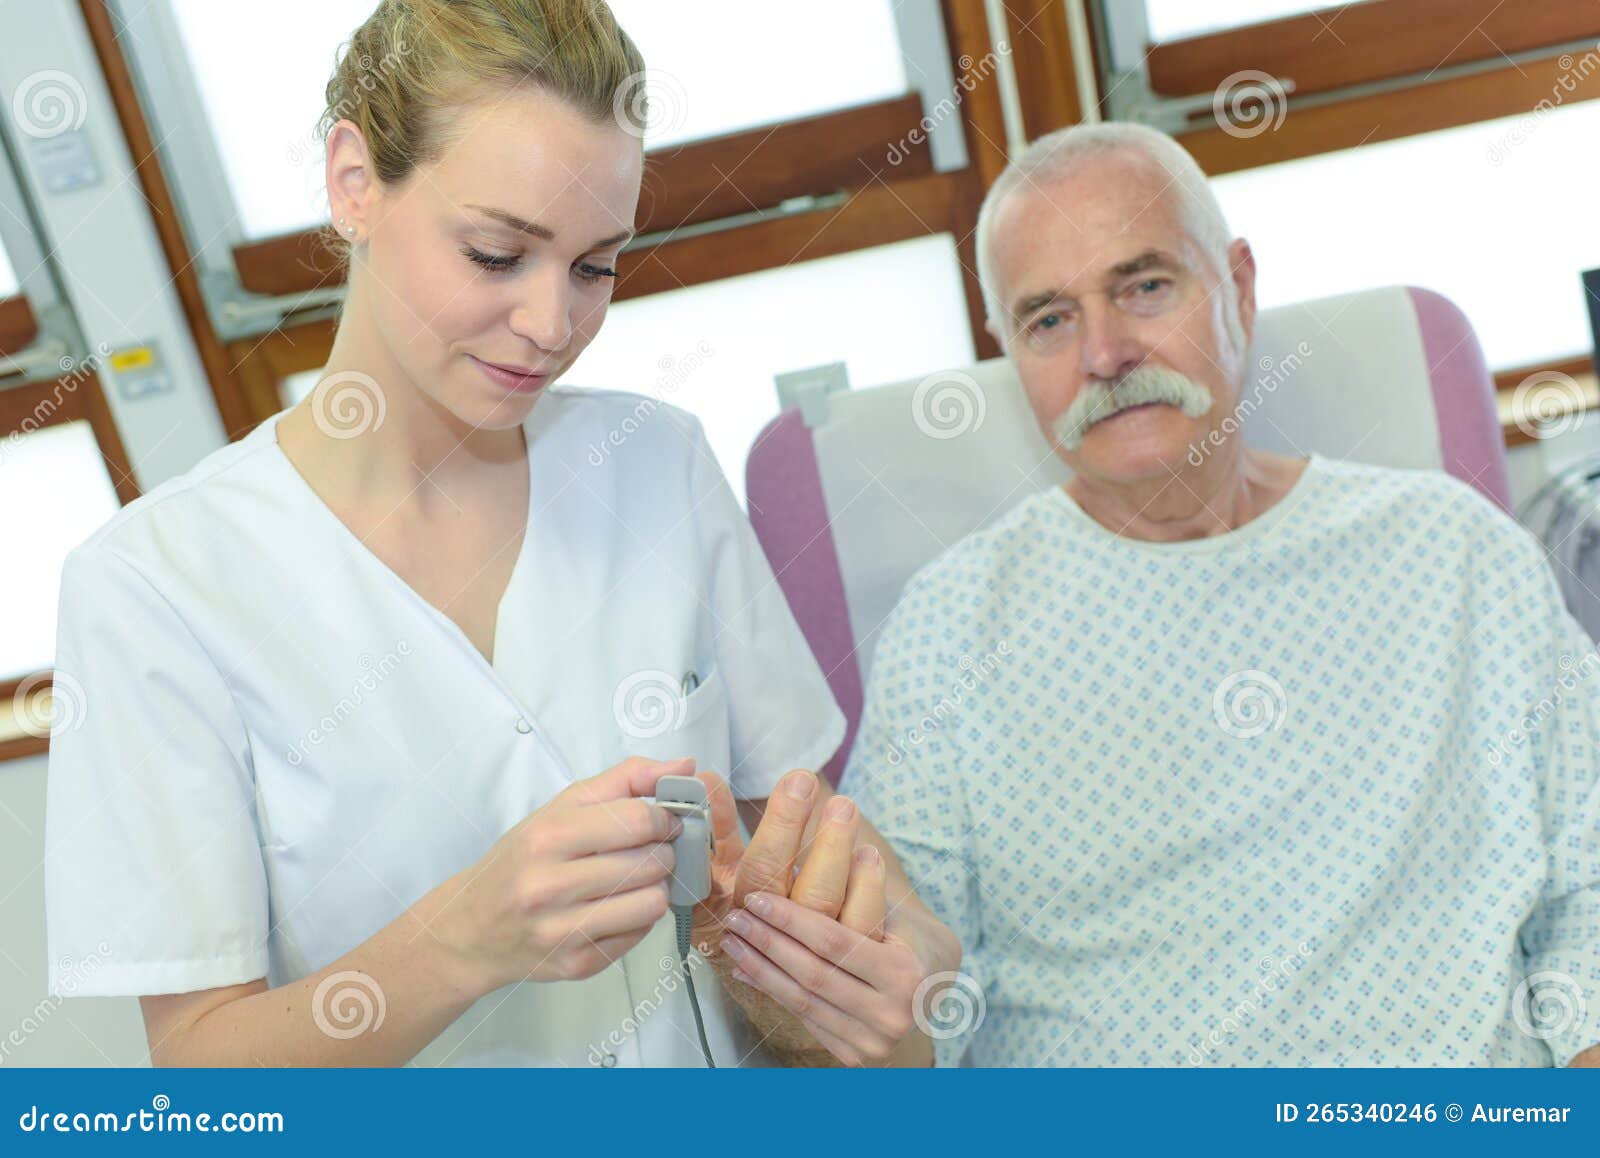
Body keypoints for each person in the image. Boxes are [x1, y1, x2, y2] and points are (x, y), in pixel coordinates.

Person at [44, 0, 955, 1068]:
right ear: (353, 183)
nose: (550, 324)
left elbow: (829, 863)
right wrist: (467, 937)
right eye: (494, 253)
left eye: (594, 266)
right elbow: (200, 1075)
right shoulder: (158, 585)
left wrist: (905, 974)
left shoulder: (655, 465)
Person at [840, 121, 1600, 1067]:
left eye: (1144, 286)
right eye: (1049, 320)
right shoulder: (953, 631)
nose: (1105, 353)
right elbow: (907, 999)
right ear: (1009, 351)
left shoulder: (1455, 555)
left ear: (1238, 285)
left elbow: (1591, 888)